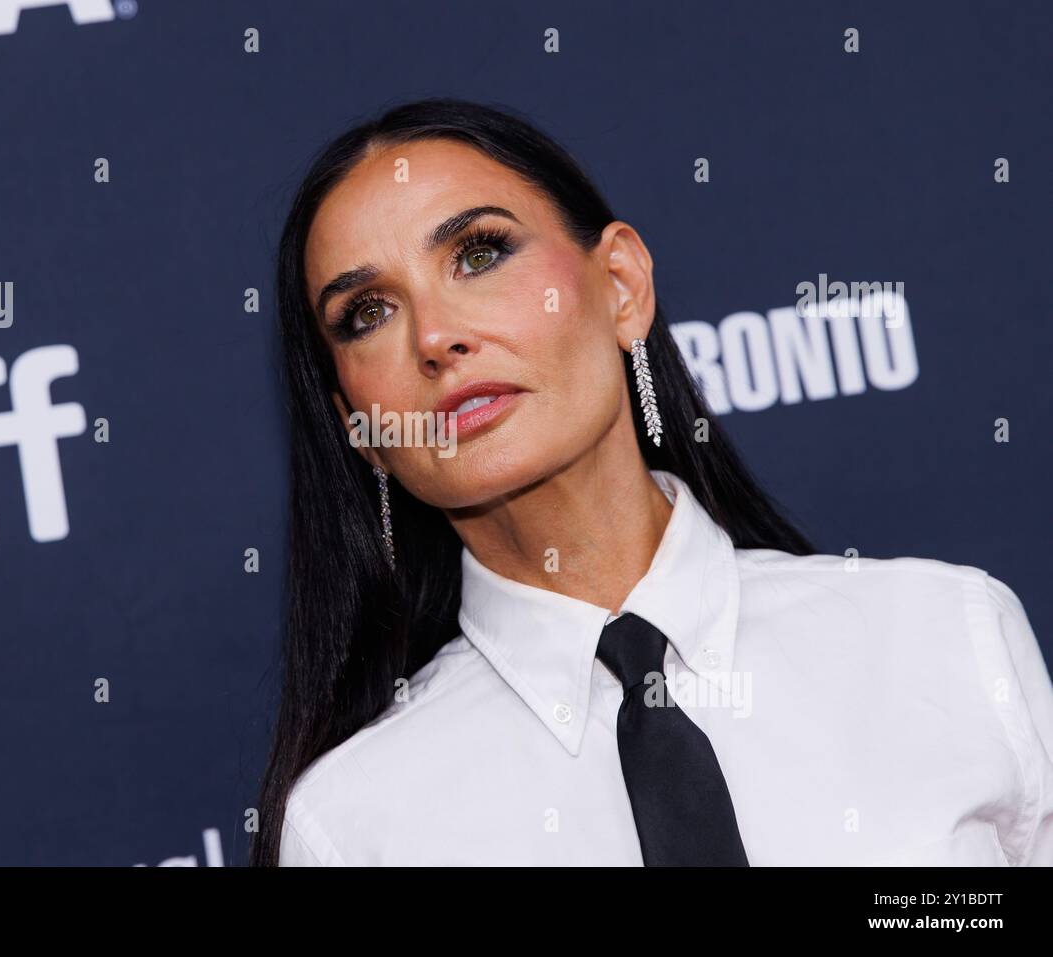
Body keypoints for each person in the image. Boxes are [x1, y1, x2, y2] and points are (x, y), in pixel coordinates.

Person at [250, 97, 1052, 866]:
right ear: (361, 428)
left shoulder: (949, 637)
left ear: (622, 286)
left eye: (479, 255)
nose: (436, 337)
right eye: (368, 312)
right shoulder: (350, 828)